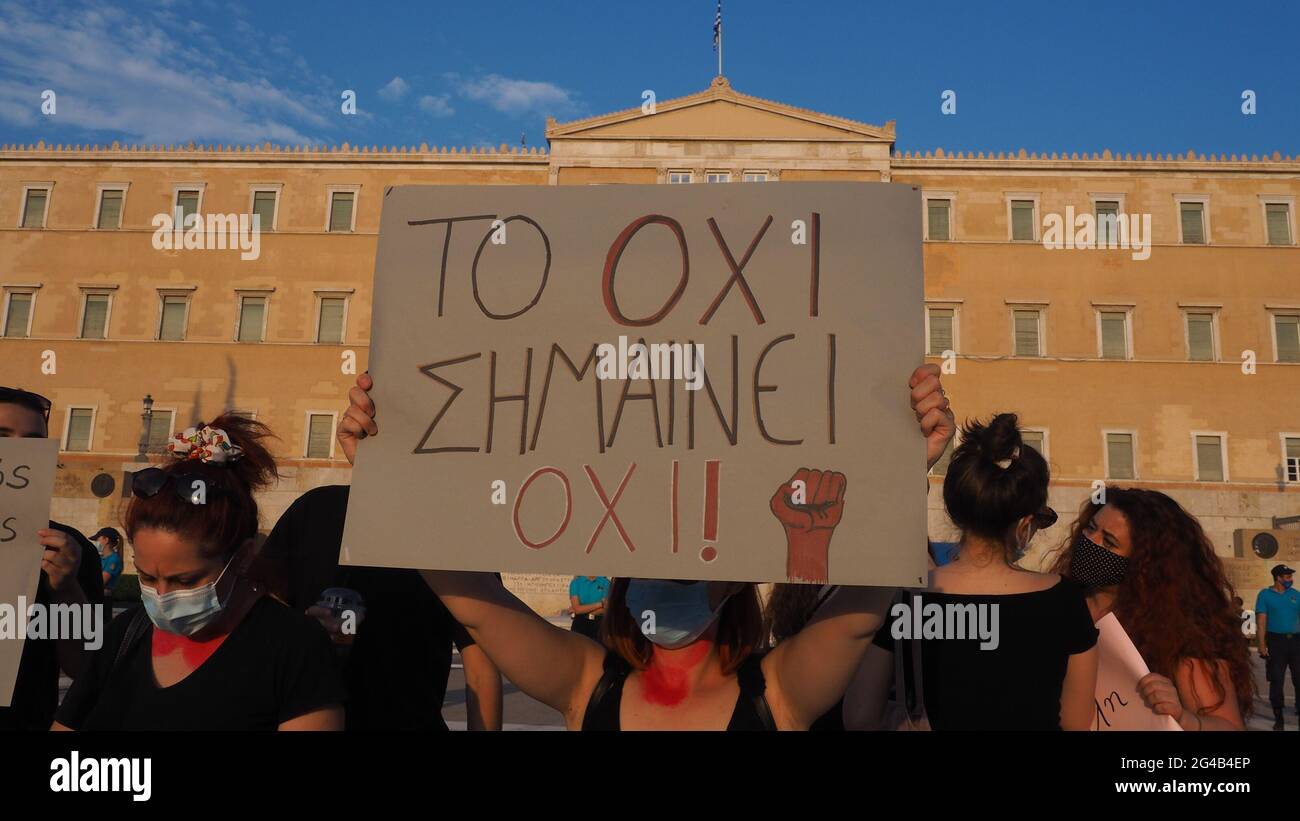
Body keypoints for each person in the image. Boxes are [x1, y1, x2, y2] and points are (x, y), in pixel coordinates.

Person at [335, 364, 955, 730]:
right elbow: (473, 602)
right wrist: (391, 484)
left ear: (735, 578)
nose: (674, 567)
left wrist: (903, 473)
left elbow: (856, 616)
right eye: (658, 553)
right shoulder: (588, 684)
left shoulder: (779, 693)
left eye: (694, 556)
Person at [53, 415, 344, 731]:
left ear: (243, 557)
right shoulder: (125, 634)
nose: (162, 597)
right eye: (147, 577)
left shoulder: (293, 647)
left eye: (185, 580)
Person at [864, 414, 1099, 730]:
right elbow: (1077, 724)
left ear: (955, 507)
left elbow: (859, 715)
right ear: (1024, 524)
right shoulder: (1065, 602)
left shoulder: (908, 598)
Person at [260, 484, 504, 731]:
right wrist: (302, 635)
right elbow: (264, 615)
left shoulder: (457, 526)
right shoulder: (312, 509)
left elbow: (481, 668)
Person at [1049, 486, 1253, 731]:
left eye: (1109, 542)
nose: (1090, 542)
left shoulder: (1181, 633)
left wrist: (1183, 718)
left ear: (1145, 564)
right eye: (1091, 528)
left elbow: (1229, 726)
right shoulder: (1058, 602)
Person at [0, 387, 103, 732]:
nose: (18, 451)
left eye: (32, 440)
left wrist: (66, 587)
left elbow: (84, 665)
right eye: (2, 436)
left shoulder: (70, 551)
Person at [1255, 563, 1299, 730]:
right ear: (1278, 578)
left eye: (1291, 577)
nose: (1291, 580)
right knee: (1277, 680)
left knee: (1299, 679)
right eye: (1287, 577)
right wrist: (1261, 644)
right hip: (1276, 643)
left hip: (1296, 642)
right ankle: (1278, 717)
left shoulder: (1296, 595)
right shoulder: (1265, 595)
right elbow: (1261, 621)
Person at [567, 576, 611, 641]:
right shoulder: (576, 582)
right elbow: (577, 609)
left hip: (599, 623)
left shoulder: (605, 582)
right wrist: (600, 604)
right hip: (579, 623)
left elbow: (606, 608)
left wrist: (582, 609)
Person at [92, 526, 125, 597]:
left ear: (106, 540)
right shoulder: (100, 558)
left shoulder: (113, 559)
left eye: (97, 540)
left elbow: (100, 582)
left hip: (103, 598)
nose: (96, 543)